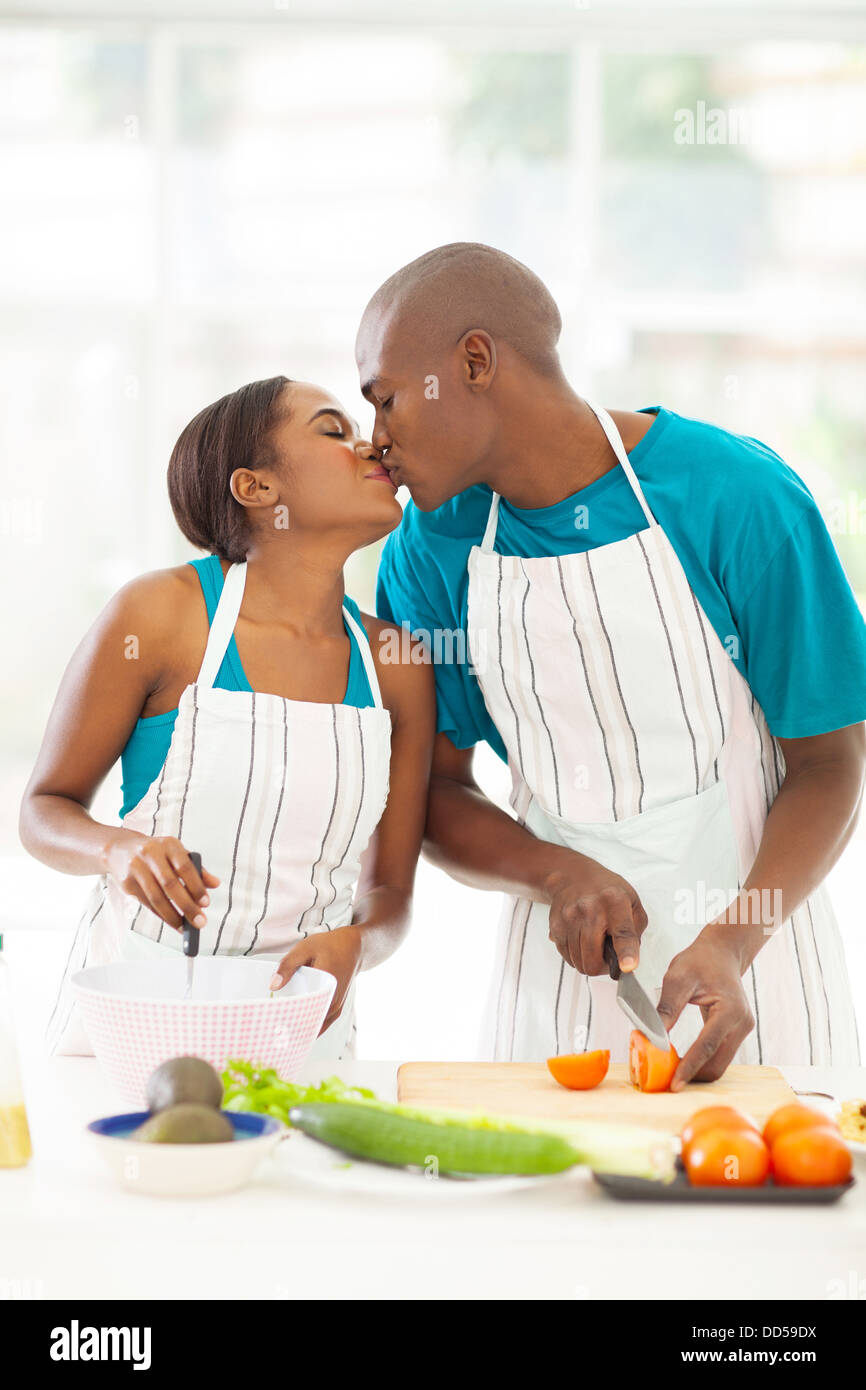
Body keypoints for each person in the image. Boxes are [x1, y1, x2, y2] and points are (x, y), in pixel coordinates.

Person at [358, 242, 866, 1089]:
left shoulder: (734, 495)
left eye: (386, 400)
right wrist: (553, 871)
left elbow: (831, 760)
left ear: (474, 363)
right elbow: (436, 790)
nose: (378, 442)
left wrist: (732, 939)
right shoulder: (430, 549)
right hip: (557, 1001)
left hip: (759, 982)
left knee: (766, 1198)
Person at [21, 376, 434, 1058]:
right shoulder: (159, 616)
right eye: (333, 430)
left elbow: (390, 894)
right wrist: (116, 849)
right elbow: (43, 809)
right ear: (257, 488)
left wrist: (359, 944)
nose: (371, 446)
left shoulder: (399, 665)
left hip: (306, 1041)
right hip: (135, 1028)